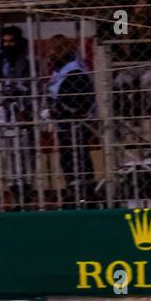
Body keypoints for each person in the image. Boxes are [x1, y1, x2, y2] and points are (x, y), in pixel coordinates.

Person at [45, 34, 96, 207]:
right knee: (68, 162)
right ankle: (75, 195)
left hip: (75, 125)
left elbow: (75, 101)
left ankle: (84, 198)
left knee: (78, 162)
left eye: (56, 50)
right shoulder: (60, 72)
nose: (51, 55)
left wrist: (56, 109)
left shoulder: (75, 71)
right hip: (65, 127)